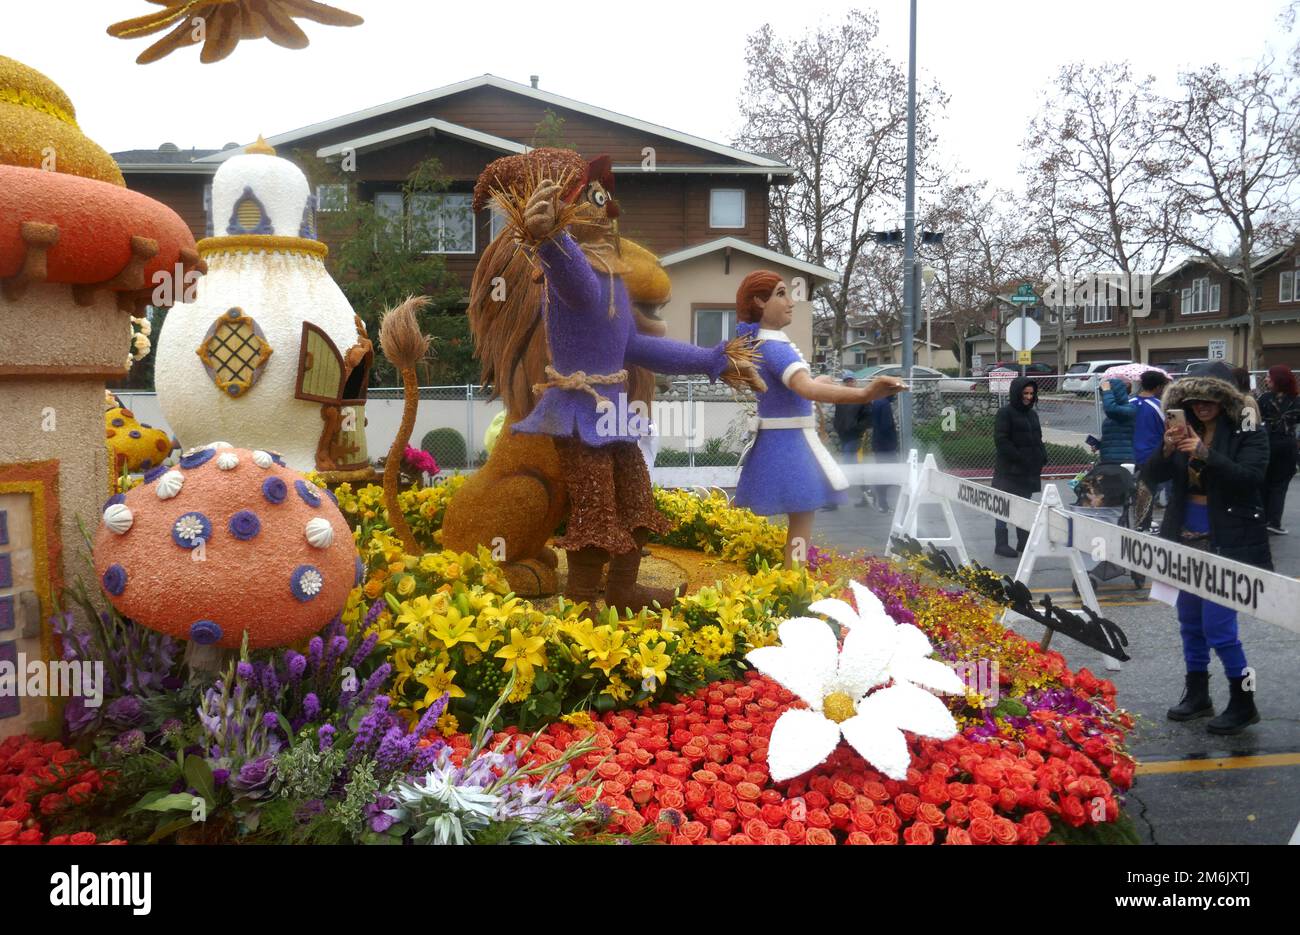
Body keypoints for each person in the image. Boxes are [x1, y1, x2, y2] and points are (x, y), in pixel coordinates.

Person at [731, 271, 905, 567]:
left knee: (802, 515)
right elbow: (805, 388)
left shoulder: (763, 344)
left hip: (781, 443)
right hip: (790, 446)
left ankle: (793, 574)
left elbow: (796, 388)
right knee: (802, 515)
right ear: (760, 302)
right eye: (781, 294)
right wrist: (865, 394)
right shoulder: (775, 348)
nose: (791, 301)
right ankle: (793, 577)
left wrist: (820, 381)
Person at [1143, 374, 1270, 735]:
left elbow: (1250, 478)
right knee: (1190, 623)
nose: (1201, 405)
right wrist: (1167, 449)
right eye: (1195, 400)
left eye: (1210, 399)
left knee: (1221, 630)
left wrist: (1204, 453)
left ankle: (1244, 701)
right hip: (1184, 538)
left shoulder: (1247, 429)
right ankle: (1198, 693)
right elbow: (1151, 477)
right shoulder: (1186, 428)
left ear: (1224, 400)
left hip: (1227, 539)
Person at [992, 376, 1047, 558]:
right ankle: (1001, 544)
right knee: (1003, 506)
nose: (1029, 397)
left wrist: (1042, 456)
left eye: (1032, 393)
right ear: (1017, 393)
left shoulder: (1033, 414)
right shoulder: (1005, 413)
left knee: (1025, 504)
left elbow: (1038, 438)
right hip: (1009, 470)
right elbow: (1001, 440)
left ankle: (1023, 542)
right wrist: (1019, 458)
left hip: (1028, 470)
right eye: (1025, 393)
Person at [1257, 364, 1300, 535]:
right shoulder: (1296, 400)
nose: (1266, 379)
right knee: (1280, 485)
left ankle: (1261, 518)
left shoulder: (1263, 398)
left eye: (1269, 376)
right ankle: (1274, 522)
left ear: (1277, 380)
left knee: (1264, 482)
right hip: (1287, 446)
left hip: (1267, 444)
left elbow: (1250, 422)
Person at [1131, 370, 1171, 530]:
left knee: (1131, 491)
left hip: (1130, 454)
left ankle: (1131, 522)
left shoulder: (1129, 402)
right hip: (1151, 455)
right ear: (1159, 387)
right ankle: (1144, 524)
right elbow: (1168, 428)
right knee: (1148, 491)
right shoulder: (1159, 406)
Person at [829, 371, 872, 509]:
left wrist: (857, 429)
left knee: (847, 466)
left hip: (854, 437)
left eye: (851, 381)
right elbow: (838, 415)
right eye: (846, 381)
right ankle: (867, 493)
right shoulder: (841, 398)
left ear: (855, 382)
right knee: (852, 466)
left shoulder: (862, 398)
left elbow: (868, 418)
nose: (849, 383)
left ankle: (835, 500)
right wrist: (838, 427)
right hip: (844, 436)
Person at [868, 393, 900, 512]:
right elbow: (886, 426)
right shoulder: (885, 404)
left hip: (878, 443)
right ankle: (875, 491)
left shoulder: (876, 401)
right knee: (893, 473)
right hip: (886, 445)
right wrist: (893, 440)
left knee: (884, 472)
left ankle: (882, 503)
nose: (896, 395)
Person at [1097, 377, 1136, 464]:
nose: (1103, 397)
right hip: (1108, 460)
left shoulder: (1129, 409)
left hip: (1124, 460)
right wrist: (1099, 444)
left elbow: (1110, 409)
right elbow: (1115, 435)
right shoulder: (1111, 416)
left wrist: (1107, 391)